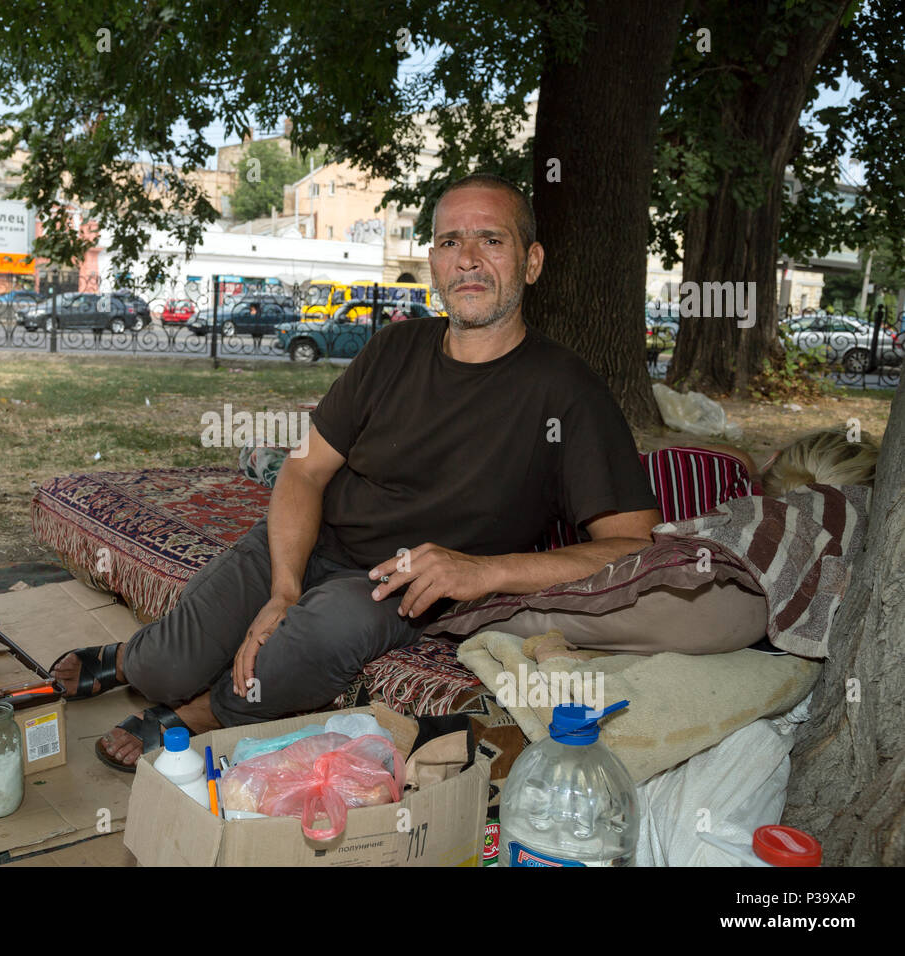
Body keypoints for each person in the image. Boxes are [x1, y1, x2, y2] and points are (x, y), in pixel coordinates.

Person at [52, 173, 665, 770]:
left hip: (395, 588)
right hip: (313, 543)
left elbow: (632, 544)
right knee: (164, 662)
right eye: (451, 241)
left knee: (323, 635)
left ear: (531, 262)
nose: (468, 259)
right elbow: (304, 471)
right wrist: (284, 589)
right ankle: (130, 659)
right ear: (433, 260)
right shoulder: (394, 349)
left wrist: (484, 570)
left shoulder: (569, 392)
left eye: (492, 239)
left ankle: (198, 715)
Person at [473, 427, 879, 658]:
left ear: (774, 461)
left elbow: (629, 460)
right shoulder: (767, 542)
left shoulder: (727, 464)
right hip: (539, 559)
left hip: (506, 509)